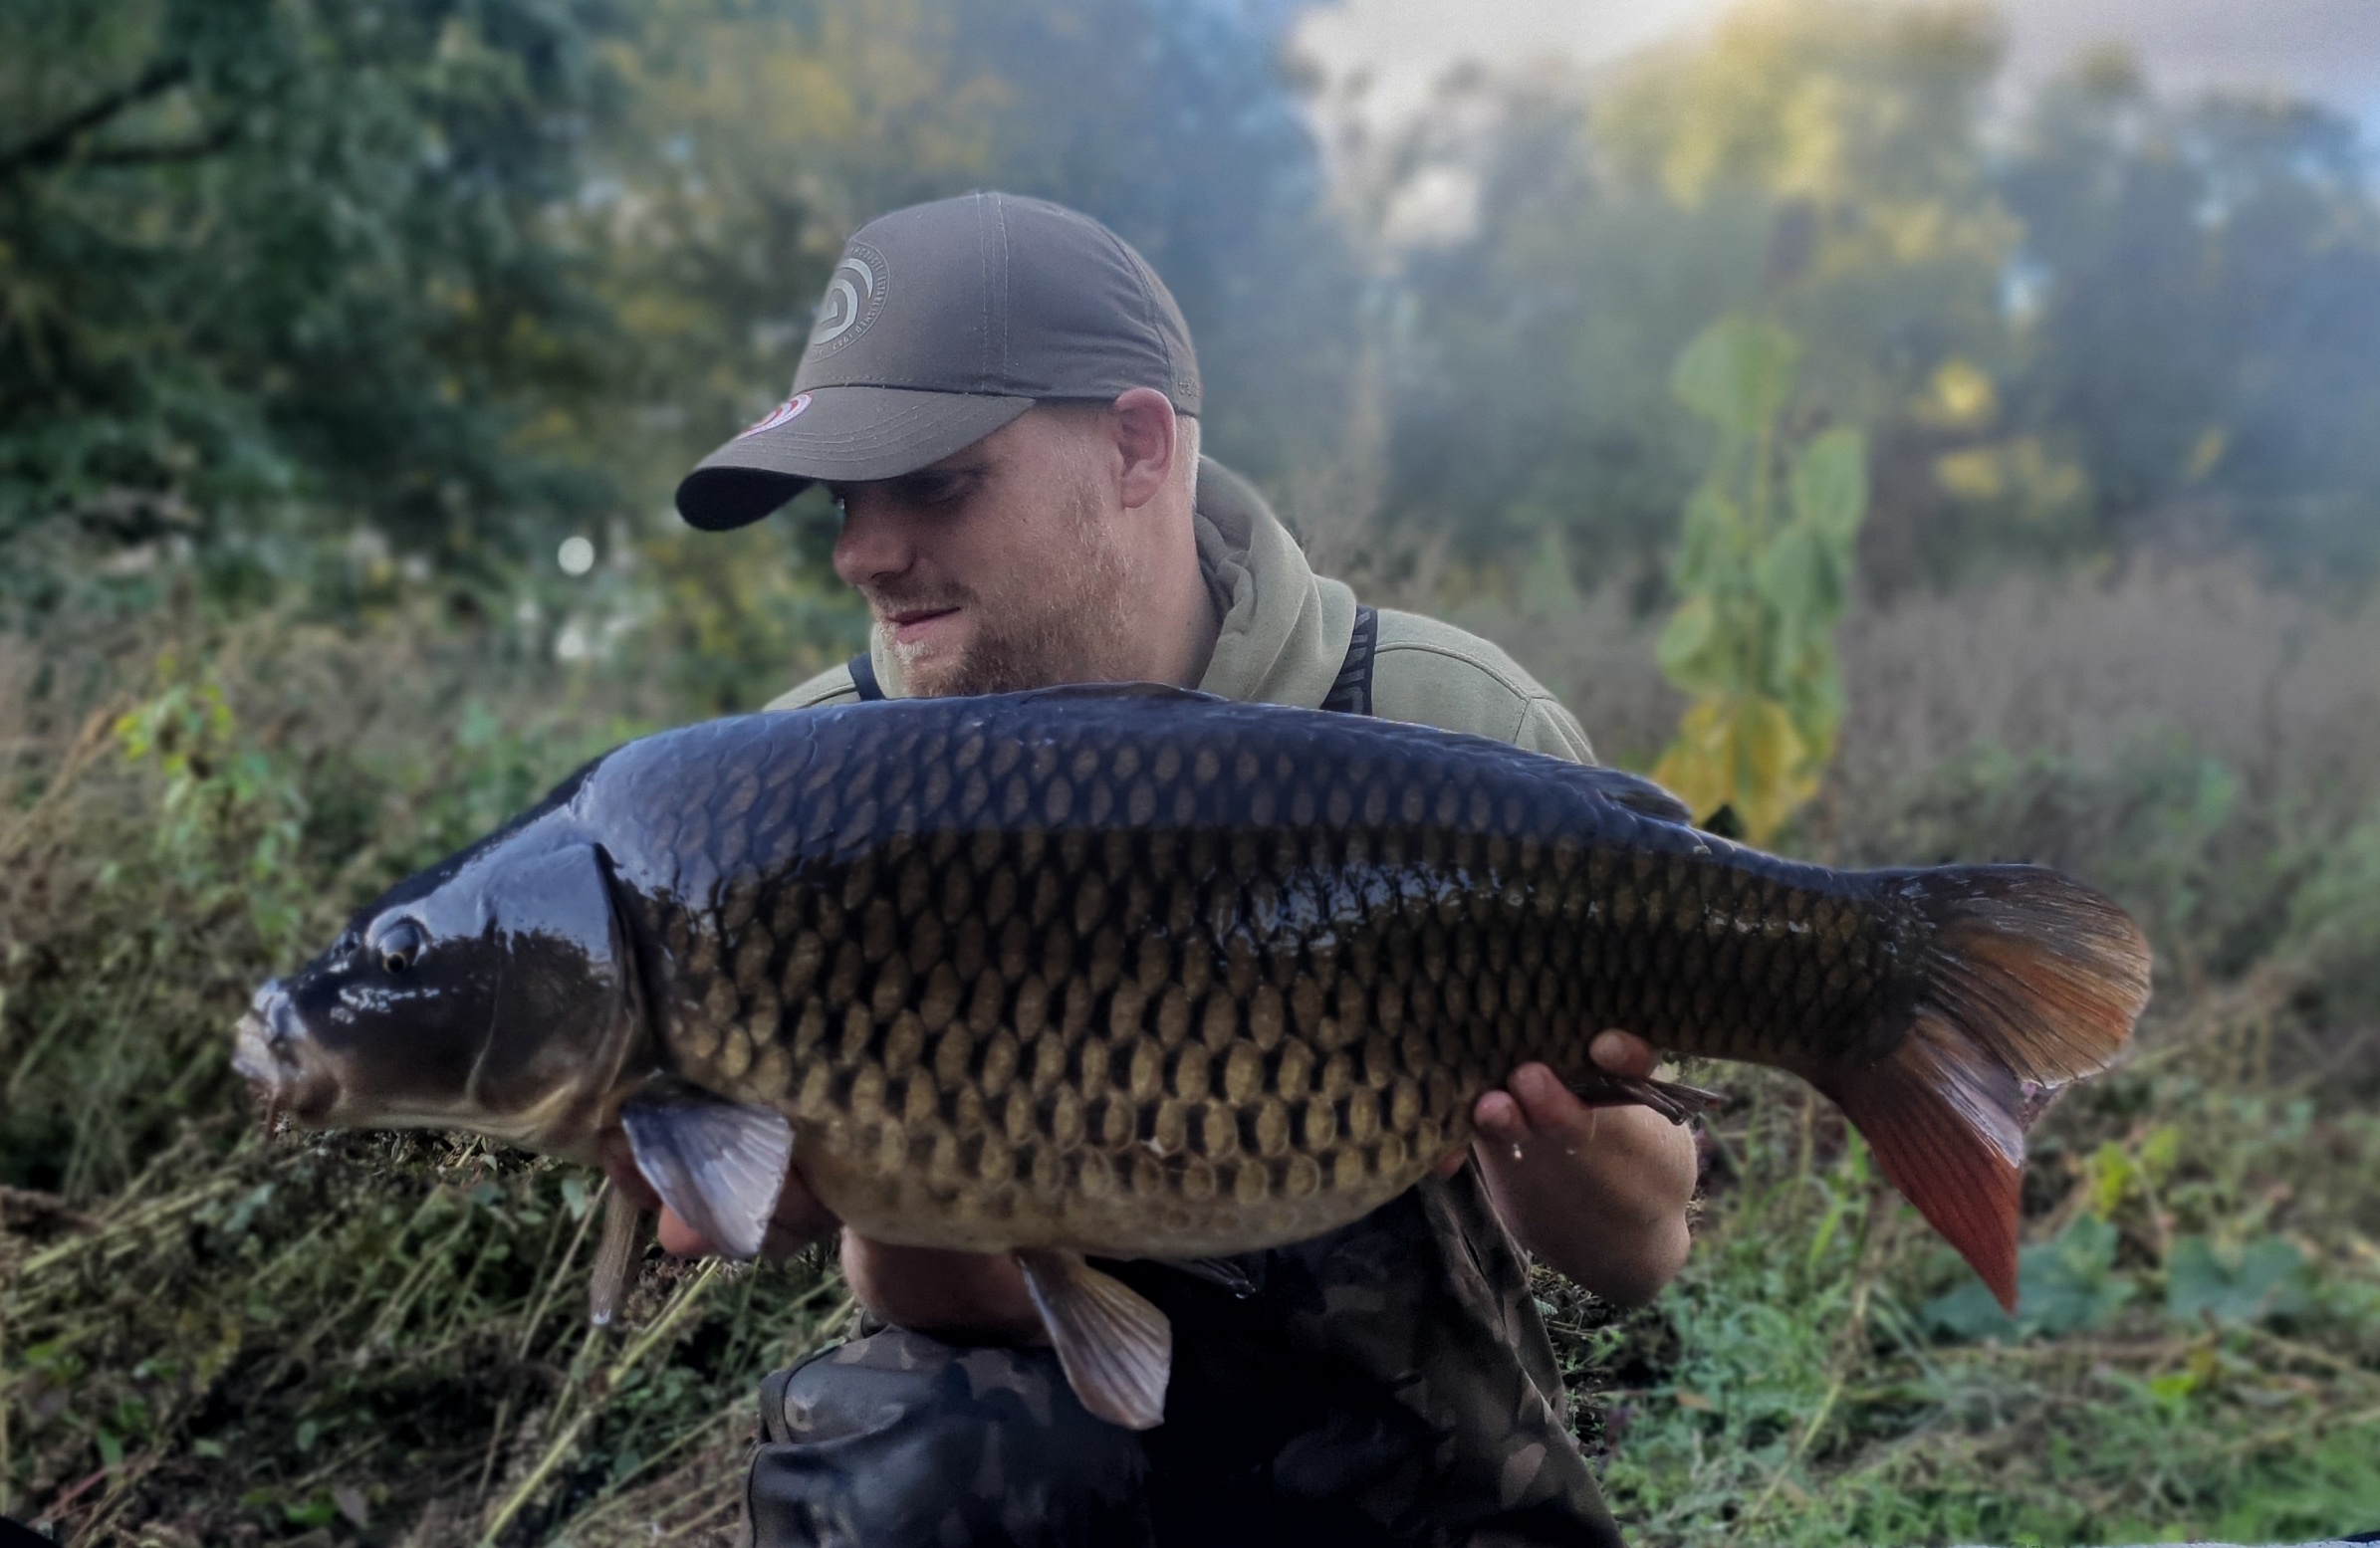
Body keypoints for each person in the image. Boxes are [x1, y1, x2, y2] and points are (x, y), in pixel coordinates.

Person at [605, 191, 1700, 1547]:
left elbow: (1639, 1254)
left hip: (1422, 1455)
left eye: (936, 481)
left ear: (1133, 447)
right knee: (906, 1469)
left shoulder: (1439, 718)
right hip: (1048, 1455)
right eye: (843, 499)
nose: (862, 553)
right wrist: (851, 1177)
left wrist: (1546, 1124)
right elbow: (946, 1305)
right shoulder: (797, 787)